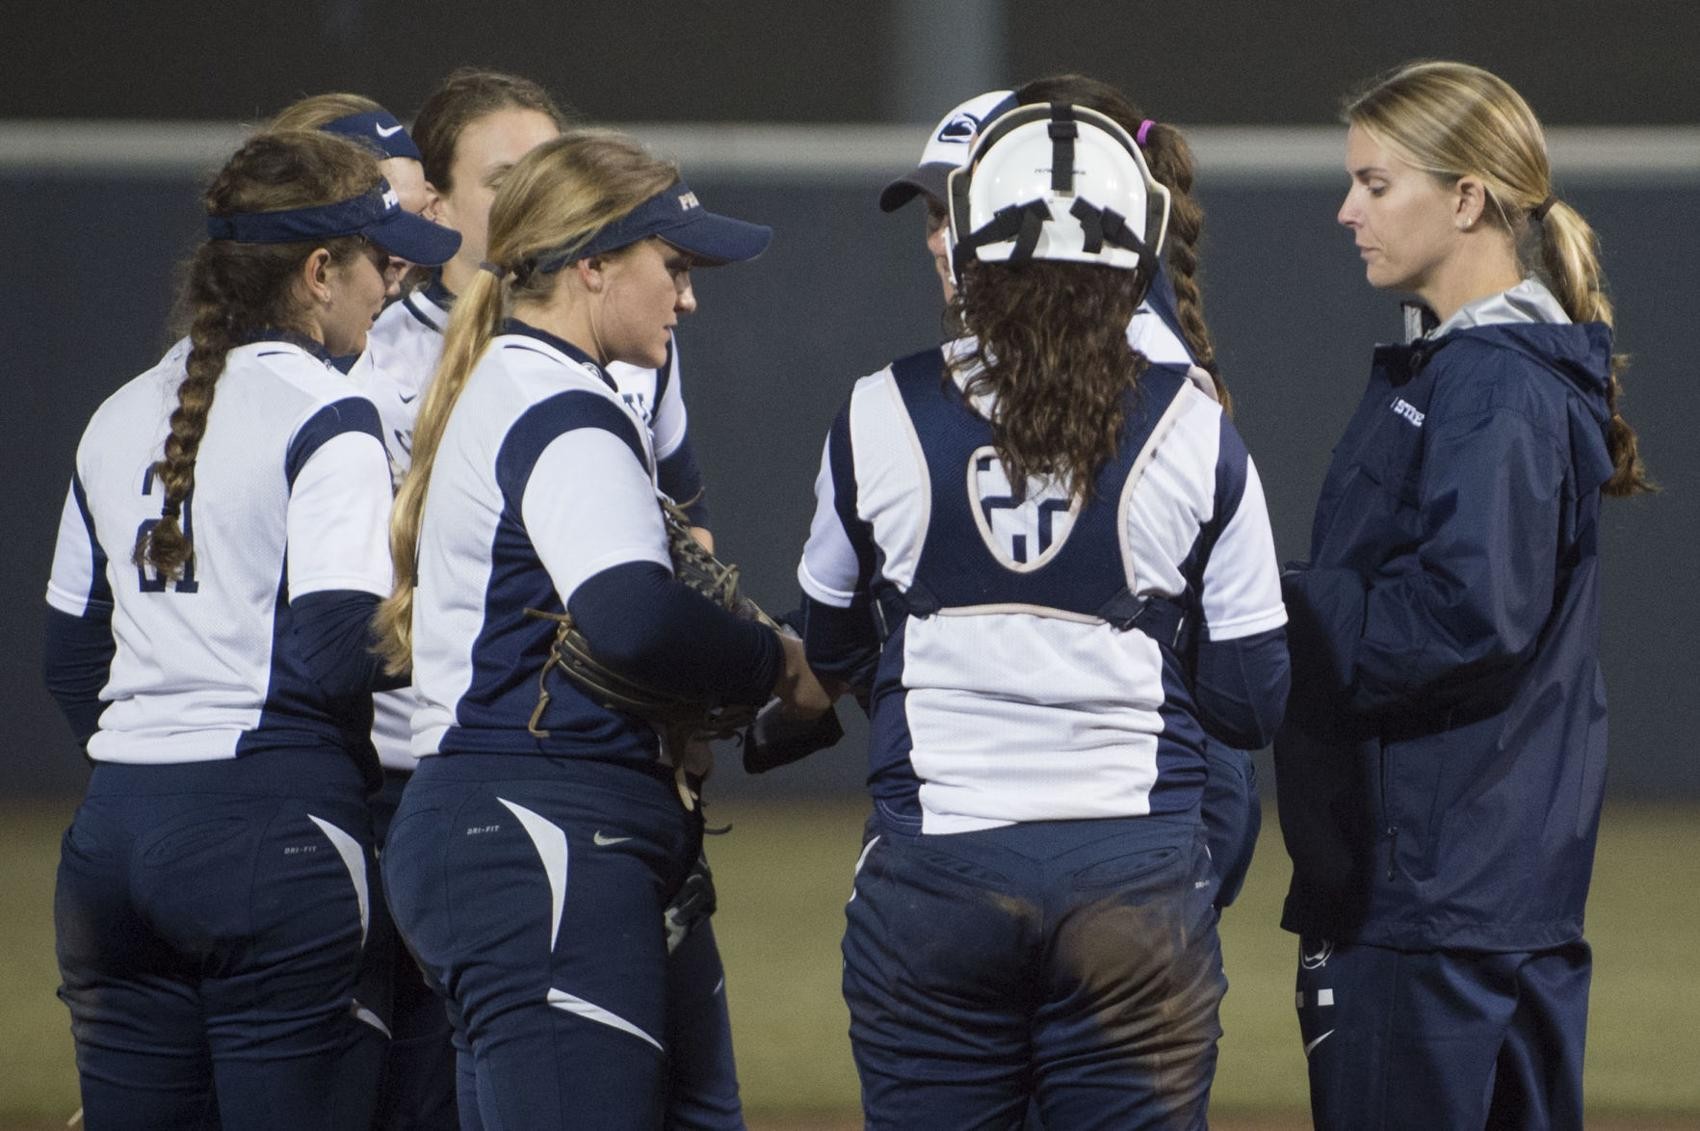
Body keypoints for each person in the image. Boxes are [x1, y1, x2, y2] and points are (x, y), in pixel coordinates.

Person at [799, 101, 1289, 1127]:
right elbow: (1247, 705)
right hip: (1132, 890)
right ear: (1131, 261)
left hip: (934, 881)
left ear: (969, 248)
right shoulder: (1195, 426)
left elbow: (834, 642)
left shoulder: (873, 410)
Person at [373, 128, 829, 1131]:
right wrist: (775, 665)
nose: (688, 295)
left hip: (519, 823)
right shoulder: (559, 406)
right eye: (669, 266)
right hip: (538, 821)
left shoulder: (516, 383)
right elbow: (628, 617)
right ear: (589, 264)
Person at [42, 129, 459, 1130]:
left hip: (111, 852)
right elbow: (328, 654)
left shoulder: (116, 414)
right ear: (318, 272)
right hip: (270, 837)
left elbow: (69, 662)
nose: (389, 283)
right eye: (377, 259)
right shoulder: (331, 411)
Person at [1276, 60, 1653, 1130]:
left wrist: (1274, 608)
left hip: (1434, 900)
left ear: (1464, 197)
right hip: (1475, 889)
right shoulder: (1474, 371)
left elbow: (1464, 616)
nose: (1347, 209)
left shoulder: (1489, 382)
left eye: (1373, 182)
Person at [877, 75, 1262, 909]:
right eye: (933, 217)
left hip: (1136, 800)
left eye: (960, 208)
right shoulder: (1070, 347)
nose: (943, 240)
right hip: (1106, 811)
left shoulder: (1127, 360)